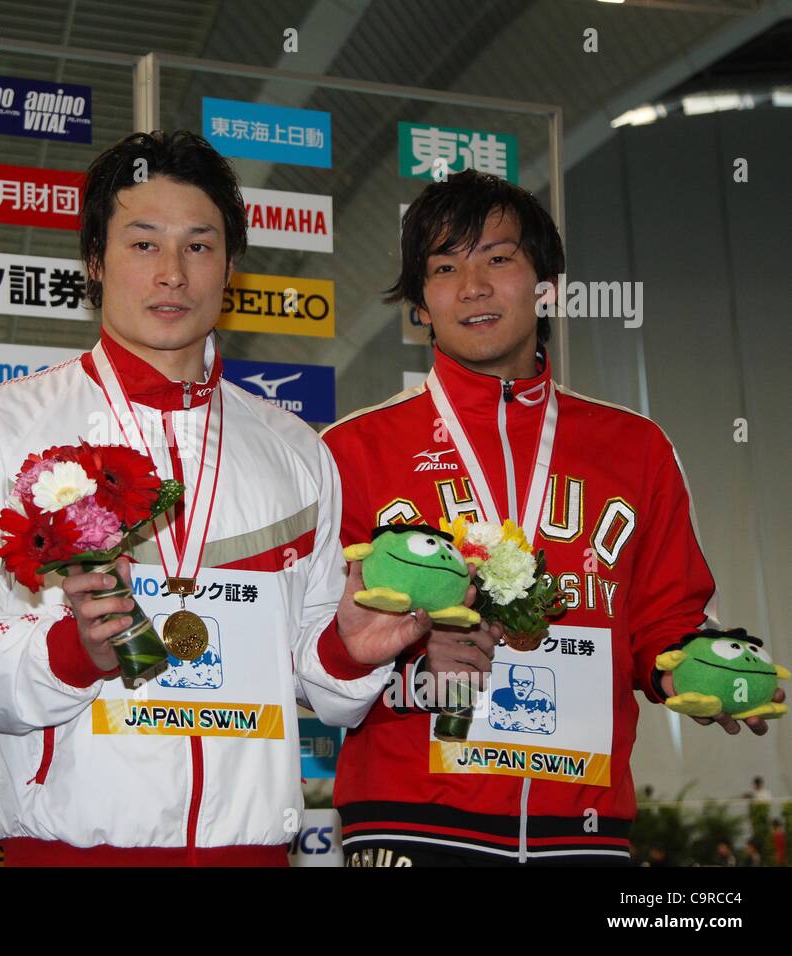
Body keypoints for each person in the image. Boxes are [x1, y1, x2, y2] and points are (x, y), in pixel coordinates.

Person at [0, 130, 428, 865]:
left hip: (255, 851)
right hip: (67, 851)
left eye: (199, 246)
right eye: (144, 244)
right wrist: (68, 654)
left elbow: (322, 685)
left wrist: (348, 651)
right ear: (94, 261)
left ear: (232, 267)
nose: (173, 273)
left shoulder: (295, 451)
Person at [323, 169, 783, 866]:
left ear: (548, 285)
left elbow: (667, 616)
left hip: (584, 833)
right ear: (419, 301)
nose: (472, 287)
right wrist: (412, 664)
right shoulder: (354, 450)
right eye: (444, 268)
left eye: (498, 260)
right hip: (412, 822)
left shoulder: (636, 448)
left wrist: (690, 672)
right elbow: (314, 660)